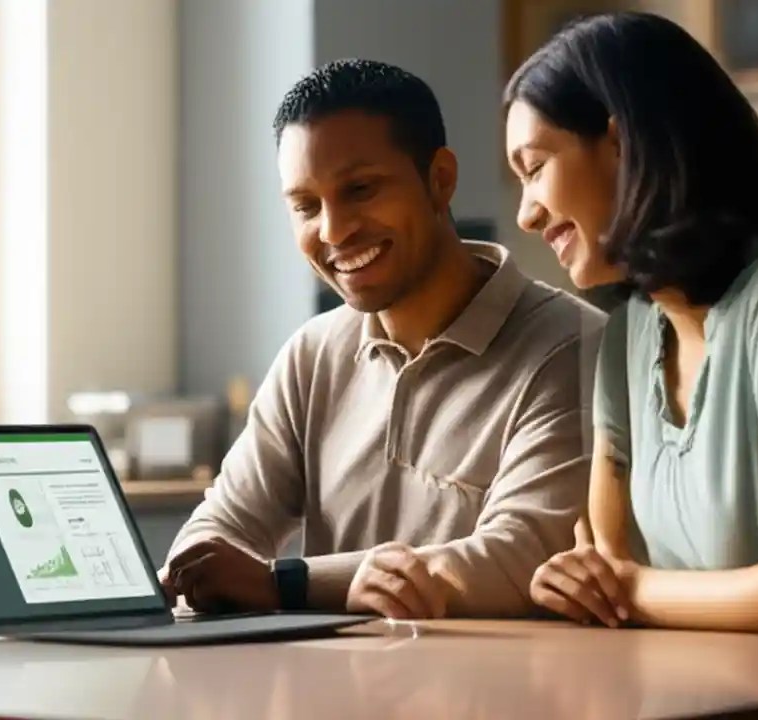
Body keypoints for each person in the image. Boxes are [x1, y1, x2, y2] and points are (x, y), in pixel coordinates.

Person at [160, 59, 605, 620]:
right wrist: (194, 573)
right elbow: (221, 530)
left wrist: (289, 585)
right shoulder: (312, 354)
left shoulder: (575, 346)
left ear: (440, 179)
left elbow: (517, 560)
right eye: (305, 206)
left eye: (361, 189)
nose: (334, 230)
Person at [506, 12, 758, 636]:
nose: (526, 212)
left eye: (535, 167)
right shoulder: (628, 336)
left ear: (621, 143)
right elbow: (608, 568)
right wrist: (580, 582)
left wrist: (627, 589)